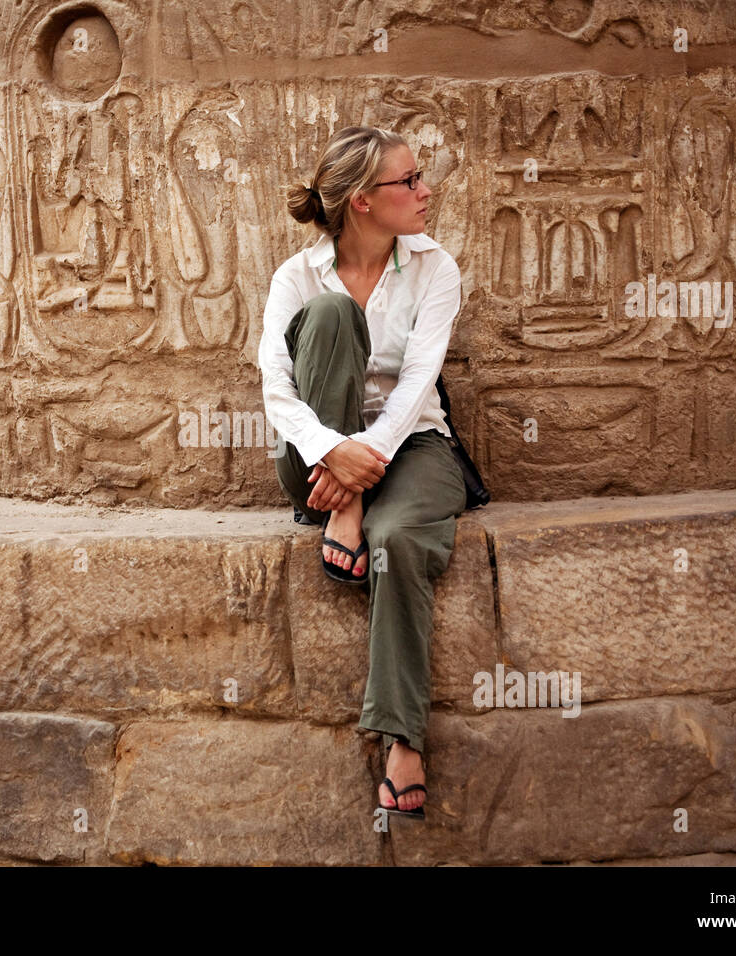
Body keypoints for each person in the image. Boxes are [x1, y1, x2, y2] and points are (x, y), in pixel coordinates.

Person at [258, 125, 467, 818]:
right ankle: (342, 501)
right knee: (331, 315)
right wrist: (329, 451)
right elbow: (277, 391)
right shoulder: (298, 277)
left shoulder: (436, 267)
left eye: (419, 177)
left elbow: (416, 386)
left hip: (413, 446)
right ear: (362, 203)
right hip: (313, 455)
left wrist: (363, 469)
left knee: (400, 539)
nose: (424, 190)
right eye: (408, 181)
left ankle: (400, 736)